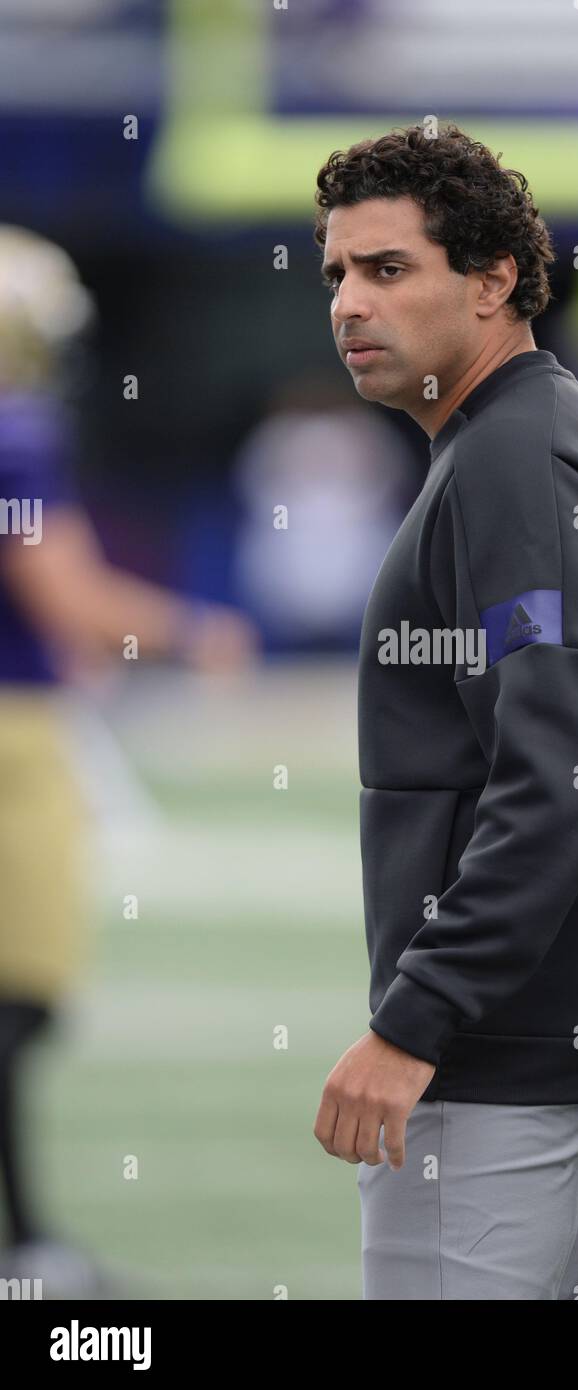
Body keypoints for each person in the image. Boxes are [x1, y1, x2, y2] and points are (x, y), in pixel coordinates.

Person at [311, 124, 578, 1300]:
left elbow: (558, 773)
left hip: (513, 1048)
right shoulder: (553, 436)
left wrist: (417, 1019)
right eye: (337, 271)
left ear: (493, 281)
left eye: (388, 270)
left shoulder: (514, 460)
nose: (347, 302)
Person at [0, 225, 255, 1296]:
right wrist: (195, 631)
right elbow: (71, 602)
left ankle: (30, 1241)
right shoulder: (16, 433)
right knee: (18, 1001)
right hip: (11, 736)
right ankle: (30, 1249)